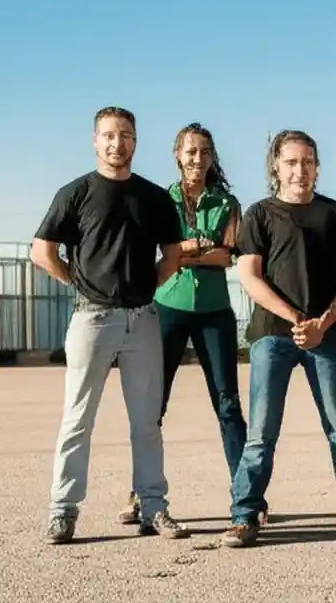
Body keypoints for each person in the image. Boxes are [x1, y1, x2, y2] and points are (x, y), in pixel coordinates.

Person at [220, 130, 336, 548]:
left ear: (317, 166)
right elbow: (249, 277)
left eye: (308, 161)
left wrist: (323, 322)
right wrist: (297, 317)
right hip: (272, 336)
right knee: (262, 433)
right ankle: (245, 516)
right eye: (292, 162)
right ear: (276, 166)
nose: (301, 170)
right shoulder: (259, 215)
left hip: (325, 336)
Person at [32, 106, 191, 544]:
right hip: (91, 319)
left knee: (146, 424)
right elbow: (42, 252)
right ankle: (63, 511)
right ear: (94, 140)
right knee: (78, 419)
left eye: (124, 135)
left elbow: (173, 255)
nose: (116, 143)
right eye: (107, 135)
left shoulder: (154, 197)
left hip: (142, 321)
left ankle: (153, 507)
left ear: (135, 141)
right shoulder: (76, 193)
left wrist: (145, 292)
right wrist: (79, 284)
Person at [117, 123, 252, 526]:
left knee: (228, 403)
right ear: (177, 154)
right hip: (168, 307)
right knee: (153, 403)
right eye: (190, 152)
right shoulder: (162, 200)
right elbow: (160, 252)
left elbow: (227, 257)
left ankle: (246, 495)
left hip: (214, 311)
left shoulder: (227, 203)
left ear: (212, 158)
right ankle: (141, 493)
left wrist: (185, 251)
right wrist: (200, 248)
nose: (197, 159)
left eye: (204, 152)